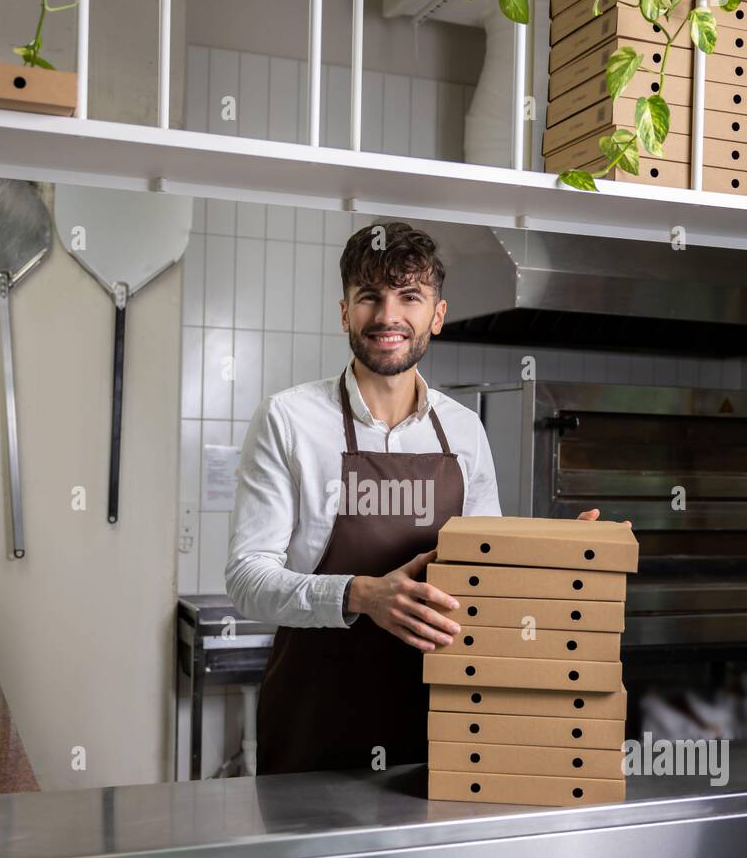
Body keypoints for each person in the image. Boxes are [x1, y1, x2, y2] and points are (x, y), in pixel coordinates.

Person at [225, 220, 601, 775]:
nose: (387, 316)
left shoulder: (463, 429)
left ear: (437, 315)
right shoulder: (288, 419)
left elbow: (486, 571)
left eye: (409, 297)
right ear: (345, 311)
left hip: (442, 716)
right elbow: (247, 581)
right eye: (369, 297)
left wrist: (559, 554)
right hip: (314, 716)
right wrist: (363, 595)